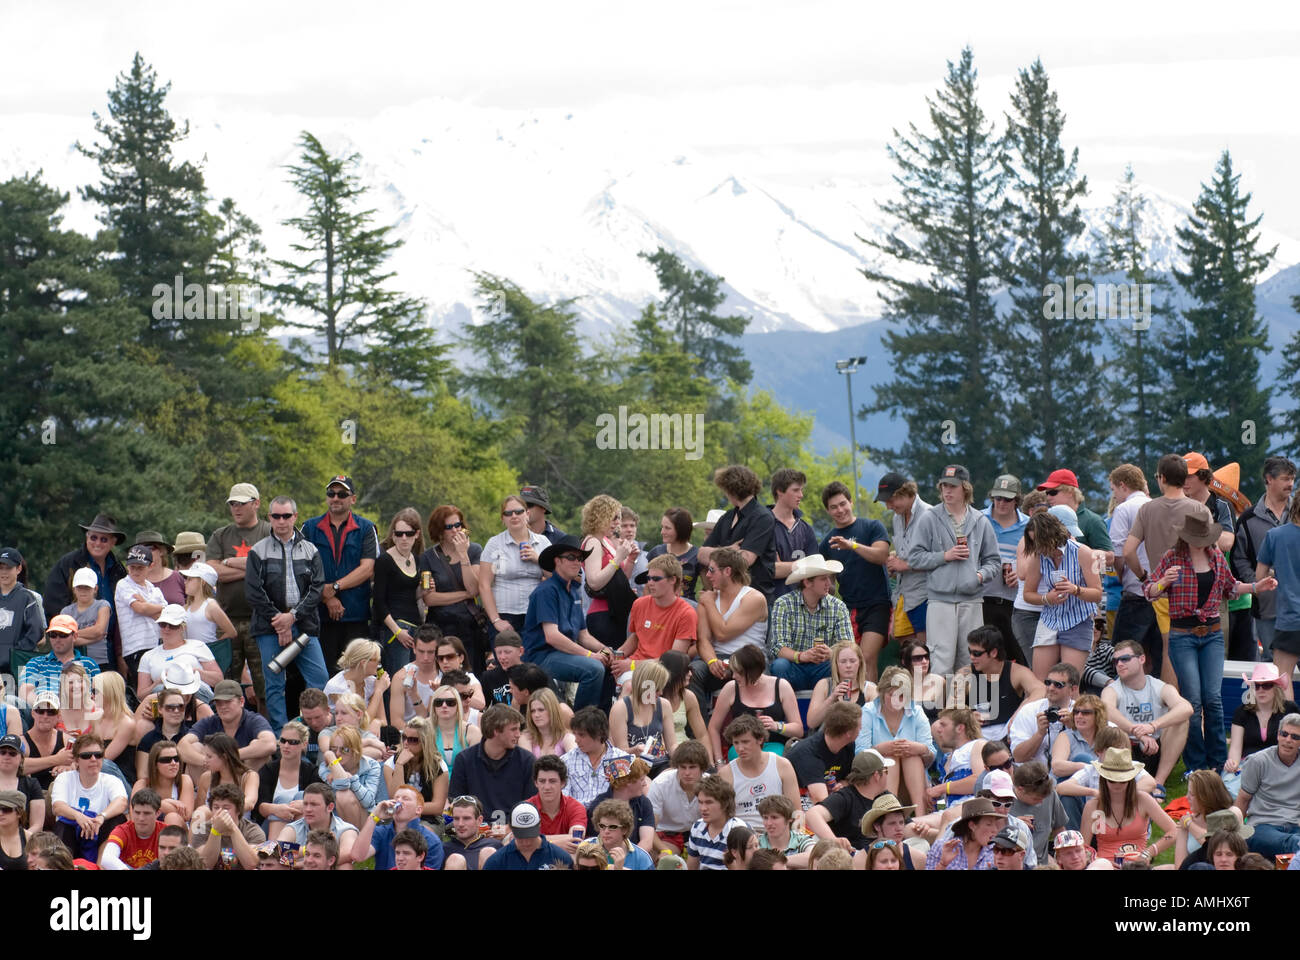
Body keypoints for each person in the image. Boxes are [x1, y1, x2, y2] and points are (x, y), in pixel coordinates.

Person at [1145, 509, 1274, 774]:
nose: (1202, 541)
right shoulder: (1172, 558)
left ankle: (1218, 761)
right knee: (1192, 700)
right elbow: (1149, 591)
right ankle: (1196, 764)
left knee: (1213, 698)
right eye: (1197, 537)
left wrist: (1256, 587)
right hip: (1183, 635)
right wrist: (1162, 583)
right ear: (1187, 537)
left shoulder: (1215, 556)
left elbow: (1232, 587)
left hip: (1212, 633)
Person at [244, 497, 332, 734]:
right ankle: (282, 736)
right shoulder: (258, 550)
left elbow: (317, 589)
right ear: (269, 518)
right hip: (269, 627)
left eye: (286, 516)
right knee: (274, 685)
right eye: (275, 516)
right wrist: (279, 621)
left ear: (295, 517)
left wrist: (292, 617)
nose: (281, 521)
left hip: (303, 626)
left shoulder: (310, 549)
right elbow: (253, 592)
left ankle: (312, 729)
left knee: (319, 679)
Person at [905, 464, 1002, 676]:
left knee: (972, 660)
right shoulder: (929, 518)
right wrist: (944, 556)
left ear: (965, 489)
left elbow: (994, 561)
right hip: (939, 600)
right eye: (944, 486)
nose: (947, 491)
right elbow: (914, 558)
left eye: (953, 486)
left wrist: (978, 576)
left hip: (972, 600)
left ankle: (968, 709)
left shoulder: (981, 520)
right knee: (940, 660)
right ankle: (936, 709)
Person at [1122, 454, 1205, 682]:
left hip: (1163, 590)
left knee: (1170, 649)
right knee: (1200, 650)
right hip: (1196, 591)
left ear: (1162, 478)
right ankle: (1197, 713)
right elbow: (1211, 552)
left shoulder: (1148, 510)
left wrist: (1144, 578)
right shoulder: (1198, 509)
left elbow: (1128, 551)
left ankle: (1173, 708)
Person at [522, 534, 615, 711]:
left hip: (563, 654)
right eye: (571, 557)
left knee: (610, 664)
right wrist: (590, 655)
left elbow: (583, 635)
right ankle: (581, 721)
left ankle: (601, 719)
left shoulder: (573, 590)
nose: (577, 562)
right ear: (557, 561)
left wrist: (606, 650)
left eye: (580, 558)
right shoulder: (546, 591)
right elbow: (552, 637)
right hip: (542, 657)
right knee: (594, 668)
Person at [303, 475, 380, 675]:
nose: (336, 498)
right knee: (323, 674)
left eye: (342, 494)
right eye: (331, 493)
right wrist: (326, 597)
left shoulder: (366, 528)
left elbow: (368, 568)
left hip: (355, 615)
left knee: (356, 673)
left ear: (352, 499)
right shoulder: (309, 527)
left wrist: (334, 587)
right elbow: (301, 569)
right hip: (318, 616)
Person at [206, 484, 273, 713]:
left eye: (241, 503)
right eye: (233, 503)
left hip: (262, 619)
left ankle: (268, 735)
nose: (236, 508)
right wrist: (254, 568)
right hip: (226, 620)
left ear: (256, 503)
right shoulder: (220, 535)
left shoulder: (268, 531)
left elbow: (272, 567)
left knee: (265, 682)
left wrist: (228, 562)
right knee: (226, 683)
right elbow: (213, 573)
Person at [1100, 640, 1192, 796]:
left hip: (1157, 750)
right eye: (1116, 661)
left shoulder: (1159, 686)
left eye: (1125, 659)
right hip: (1125, 750)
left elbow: (1186, 708)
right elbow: (1106, 709)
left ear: (1141, 659)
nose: (1119, 664)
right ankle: (1125, 778)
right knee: (1108, 724)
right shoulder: (1112, 689)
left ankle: (1159, 784)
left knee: (1181, 720)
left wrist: (1153, 726)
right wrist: (1138, 732)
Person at [819, 482, 892, 678]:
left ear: (851, 502)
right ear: (828, 511)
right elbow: (830, 583)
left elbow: (882, 556)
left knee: (866, 658)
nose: (840, 510)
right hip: (848, 609)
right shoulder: (827, 542)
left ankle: (869, 706)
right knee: (849, 661)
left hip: (877, 604)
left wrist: (852, 546)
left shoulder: (871, 526)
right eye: (833, 507)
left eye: (843, 504)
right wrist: (824, 588)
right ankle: (851, 705)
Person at [1020, 510, 1103, 679]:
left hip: (1078, 620)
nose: (1036, 547)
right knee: (1041, 683)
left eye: (1038, 542)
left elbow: (1097, 594)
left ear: (1051, 536)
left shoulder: (1083, 552)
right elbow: (1027, 594)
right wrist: (1046, 599)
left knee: (1068, 683)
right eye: (1033, 542)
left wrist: (1075, 589)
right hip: (1050, 620)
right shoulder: (1038, 556)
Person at [691, 547, 770, 716]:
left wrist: (710, 603)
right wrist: (712, 662)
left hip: (750, 658)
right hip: (719, 658)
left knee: (749, 671)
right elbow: (703, 640)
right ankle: (700, 731)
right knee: (693, 672)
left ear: (728, 571)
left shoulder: (753, 598)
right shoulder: (709, 598)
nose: (708, 575)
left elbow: (723, 633)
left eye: (712, 570)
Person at [42, 514, 128, 666]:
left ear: (113, 542)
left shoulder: (119, 570)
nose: (97, 543)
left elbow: (123, 615)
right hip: (73, 655)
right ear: (87, 537)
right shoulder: (68, 563)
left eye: (104, 539)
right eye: (93, 537)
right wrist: (64, 637)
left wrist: (120, 653)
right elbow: (53, 607)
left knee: (106, 689)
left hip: (109, 652)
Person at [1234, 457, 1295, 659]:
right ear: (1269, 479)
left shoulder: (1298, 514)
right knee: (1270, 663)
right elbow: (1239, 557)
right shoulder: (1247, 519)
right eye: (1286, 479)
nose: (1291, 484)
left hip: (1297, 606)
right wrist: (1255, 584)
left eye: (1293, 479)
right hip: (1266, 607)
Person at [767, 554, 854, 690]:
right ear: (807, 582)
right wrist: (802, 656)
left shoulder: (838, 606)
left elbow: (848, 645)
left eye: (829, 578)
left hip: (823, 665)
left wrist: (831, 653)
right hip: (795, 664)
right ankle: (784, 706)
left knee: (842, 664)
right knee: (780, 665)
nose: (829, 584)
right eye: (823, 579)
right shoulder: (783, 603)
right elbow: (778, 647)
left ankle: (840, 706)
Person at [854, 666, 933, 810]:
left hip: (913, 780)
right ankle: (888, 812)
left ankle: (921, 816)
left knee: (912, 755)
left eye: (902, 696)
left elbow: (931, 755)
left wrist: (919, 748)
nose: (896, 701)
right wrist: (880, 749)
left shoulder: (917, 712)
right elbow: (859, 754)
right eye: (891, 695)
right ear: (882, 692)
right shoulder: (868, 711)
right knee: (890, 756)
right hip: (877, 780)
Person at [1082, 746, 1176, 865]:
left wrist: (1148, 853)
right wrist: (1098, 861)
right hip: (1105, 865)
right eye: (1112, 780)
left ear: (1130, 780)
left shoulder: (1143, 799)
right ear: (1104, 779)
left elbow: (1174, 831)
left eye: (1122, 780)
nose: (1117, 785)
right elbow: (1083, 849)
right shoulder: (1093, 806)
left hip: (1137, 866)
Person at [418, 504, 485, 671]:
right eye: (449, 527)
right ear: (440, 530)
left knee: (471, 673)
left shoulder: (474, 550)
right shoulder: (428, 557)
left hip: (469, 625)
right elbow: (430, 598)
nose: (455, 530)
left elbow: (474, 589)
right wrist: (464, 594)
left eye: (458, 525)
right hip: (441, 625)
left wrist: (463, 554)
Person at [697, 464, 778, 602]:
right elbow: (701, 554)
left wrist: (717, 554)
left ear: (731, 490)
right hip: (725, 597)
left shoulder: (762, 517)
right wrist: (729, 550)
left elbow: (745, 560)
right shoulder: (728, 516)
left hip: (753, 599)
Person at [447, 704, 535, 829]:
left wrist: (510, 828)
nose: (518, 734)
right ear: (496, 731)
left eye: (519, 729)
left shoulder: (526, 761)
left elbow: (531, 805)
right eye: (513, 729)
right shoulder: (464, 760)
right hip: (474, 831)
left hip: (514, 832)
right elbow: (456, 801)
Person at [708, 644, 803, 759]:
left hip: (773, 746)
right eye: (733, 671)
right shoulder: (731, 688)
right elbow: (713, 728)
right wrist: (719, 762)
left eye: (739, 672)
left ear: (753, 672)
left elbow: (799, 730)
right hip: (741, 747)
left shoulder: (781, 686)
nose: (734, 676)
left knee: (772, 759)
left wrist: (777, 726)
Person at [479, 495, 551, 638]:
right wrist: (496, 620)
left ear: (527, 514)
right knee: (507, 658)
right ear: (503, 519)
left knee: (533, 659)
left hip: (535, 613)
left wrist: (539, 559)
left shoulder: (543, 542)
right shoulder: (495, 544)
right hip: (505, 614)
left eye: (519, 512)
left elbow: (555, 578)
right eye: (508, 513)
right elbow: (484, 584)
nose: (514, 516)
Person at [50, 733, 127, 860]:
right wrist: (79, 816)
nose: (93, 759)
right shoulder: (65, 778)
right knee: (63, 825)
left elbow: (122, 802)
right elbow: (58, 807)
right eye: (86, 756)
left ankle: (101, 866)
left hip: (99, 831)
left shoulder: (111, 780)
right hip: (71, 834)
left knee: (117, 820)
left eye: (98, 755)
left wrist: (101, 817)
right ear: (76, 760)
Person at [962, 624, 1045, 742]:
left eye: (977, 653)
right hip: (977, 732)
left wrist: (1019, 714)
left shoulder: (1016, 672)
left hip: (1008, 730)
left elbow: (1041, 690)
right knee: (938, 726)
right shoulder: (965, 673)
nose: (971, 657)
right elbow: (949, 710)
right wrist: (967, 716)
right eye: (970, 651)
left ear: (994, 653)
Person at [715, 714, 800, 829]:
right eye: (736, 743)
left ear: (760, 739)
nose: (740, 748)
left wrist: (798, 840)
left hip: (778, 833)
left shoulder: (782, 765)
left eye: (745, 742)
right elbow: (723, 817)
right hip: (741, 836)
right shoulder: (726, 774)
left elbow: (796, 812)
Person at [614, 554, 697, 670]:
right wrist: (616, 656)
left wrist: (632, 665)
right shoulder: (639, 604)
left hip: (662, 673)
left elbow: (674, 661)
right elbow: (635, 638)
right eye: (649, 578)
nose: (650, 583)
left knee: (630, 687)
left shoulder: (687, 613)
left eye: (656, 579)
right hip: (634, 667)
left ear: (673, 579)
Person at [1235, 712, 1300, 857]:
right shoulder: (1257, 761)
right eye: (1284, 734)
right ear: (1277, 735)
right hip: (1263, 826)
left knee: (1294, 842)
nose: (1288, 740)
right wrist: (1236, 835)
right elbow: (1243, 799)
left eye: (1295, 737)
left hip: (1295, 826)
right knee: (1292, 843)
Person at [879, 473, 933, 646]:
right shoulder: (897, 518)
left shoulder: (929, 515)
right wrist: (895, 562)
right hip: (904, 594)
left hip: (926, 595)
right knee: (907, 651)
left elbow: (942, 558)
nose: (888, 507)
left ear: (905, 493)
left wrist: (906, 565)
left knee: (924, 651)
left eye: (891, 501)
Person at [372, 507, 425, 681]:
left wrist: (424, 591)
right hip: (393, 628)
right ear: (393, 535)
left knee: (412, 680)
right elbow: (379, 602)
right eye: (399, 533)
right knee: (397, 680)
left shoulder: (416, 559)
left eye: (408, 534)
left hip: (415, 626)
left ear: (416, 534)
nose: (404, 538)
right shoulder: (384, 560)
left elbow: (411, 595)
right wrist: (397, 631)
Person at [1256, 492, 1300, 700]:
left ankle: (1288, 728)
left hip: (1289, 619)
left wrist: (1277, 573)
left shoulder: (1275, 536)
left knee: (1283, 679)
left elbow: (1259, 577)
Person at [804, 749, 893, 851]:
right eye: (886, 770)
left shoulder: (887, 797)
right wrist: (834, 841)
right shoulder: (846, 797)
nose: (887, 775)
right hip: (851, 856)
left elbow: (905, 824)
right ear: (877, 776)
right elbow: (812, 815)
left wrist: (914, 827)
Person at [178, 680, 277, 772]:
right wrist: (207, 761)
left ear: (241, 701)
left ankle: (242, 788)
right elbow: (182, 746)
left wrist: (229, 757)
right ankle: (207, 790)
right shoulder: (209, 721)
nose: (223, 707)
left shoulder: (254, 720)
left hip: (245, 777)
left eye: (228, 701)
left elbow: (270, 744)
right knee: (195, 747)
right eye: (219, 703)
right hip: (214, 777)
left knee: (259, 748)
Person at [983, 475, 1029, 665]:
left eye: (1007, 499)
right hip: (982, 599)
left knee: (1018, 657)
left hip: (1014, 602)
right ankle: (986, 695)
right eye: (997, 498)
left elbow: (1035, 559)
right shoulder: (978, 519)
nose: (1001, 503)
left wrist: (1020, 573)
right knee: (985, 656)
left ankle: (1019, 695)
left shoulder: (1028, 525)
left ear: (1017, 500)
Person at [137, 604, 223, 704]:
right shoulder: (148, 656)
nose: (167, 629)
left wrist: (195, 672)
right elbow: (141, 696)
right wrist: (156, 683)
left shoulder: (197, 646)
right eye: (163, 624)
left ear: (183, 627)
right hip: (164, 697)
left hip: (196, 695)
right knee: (160, 690)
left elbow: (218, 679)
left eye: (173, 625)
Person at [1226, 662, 1300, 775]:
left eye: (1266, 685)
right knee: (1229, 786)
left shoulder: (1290, 709)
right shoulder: (1242, 712)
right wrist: (1233, 763)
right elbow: (1235, 748)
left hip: (1281, 766)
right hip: (1247, 765)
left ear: (1276, 688)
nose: (1261, 690)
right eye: (1256, 686)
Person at [787, 700, 862, 805]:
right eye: (859, 726)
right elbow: (822, 801)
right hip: (797, 804)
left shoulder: (847, 745)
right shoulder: (808, 753)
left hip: (823, 798)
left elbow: (850, 780)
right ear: (848, 733)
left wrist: (841, 785)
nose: (861, 728)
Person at [16, 613, 99, 706]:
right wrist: (48, 708)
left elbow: (99, 696)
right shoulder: (35, 663)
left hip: (77, 711)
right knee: (10, 700)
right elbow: (25, 692)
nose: (57, 639)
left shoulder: (89, 664)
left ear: (75, 636)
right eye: (53, 635)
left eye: (63, 635)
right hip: (41, 711)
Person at [353, 787, 444, 870]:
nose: (399, 801)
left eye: (405, 798)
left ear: (418, 810)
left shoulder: (431, 841)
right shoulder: (382, 832)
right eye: (396, 798)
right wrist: (374, 817)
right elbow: (358, 856)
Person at [114, 543, 166, 688]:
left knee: (157, 687)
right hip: (135, 647)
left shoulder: (154, 589)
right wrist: (159, 608)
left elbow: (164, 617)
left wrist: (147, 606)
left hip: (155, 644)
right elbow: (140, 608)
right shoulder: (123, 584)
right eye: (132, 567)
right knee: (145, 690)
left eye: (140, 567)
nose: (136, 571)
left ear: (151, 565)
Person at [256, 719, 321, 831]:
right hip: (271, 825)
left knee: (301, 797)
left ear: (304, 744)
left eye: (292, 742)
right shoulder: (268, 770)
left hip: (303, 825)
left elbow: (322, 802)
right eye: (283, 740)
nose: (286, 745)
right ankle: (277, 846)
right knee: (282, 800)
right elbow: (260, 807)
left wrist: (304, 805)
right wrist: (277, 809)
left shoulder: (312, 772)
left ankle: (284, 846)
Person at [1009, 662, 1078, 767]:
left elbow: (1094, 750)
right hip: (1034, 777)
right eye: (1048, 682)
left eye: (1058, 685)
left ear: (1073, 689)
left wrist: (1073, 728)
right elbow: (1018, 757)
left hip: (1071, 774)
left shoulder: (1082, 712)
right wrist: (1040, 734)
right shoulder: (1029, 711)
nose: (1051, 688)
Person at [560, 706, 631, 806]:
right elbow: (563, 798)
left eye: (582, 735)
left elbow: (625, 799)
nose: (576, 740)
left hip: (610, 815)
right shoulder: (565, 761)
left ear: (599, 734)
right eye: (575, 734)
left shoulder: (621, 759)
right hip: (577, 816)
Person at [768, 469, 820, 602]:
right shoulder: (763, 525)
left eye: (801, 490)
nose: (801, 495)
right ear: (780, 491)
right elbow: (770, 570)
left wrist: (783, 566)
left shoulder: (806, 529)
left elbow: (814, 571)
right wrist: (803, 565)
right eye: (796, 490)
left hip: (801, 605)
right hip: (770, 604)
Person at [275, 782, 356, 868]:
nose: (308, 809)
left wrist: (302, 864)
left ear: (330, 807)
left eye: (314, 804)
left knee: (345, 865)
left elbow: (348, 853)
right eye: (305, 804)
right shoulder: (292, 829)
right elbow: (275, 853)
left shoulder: (346, 830)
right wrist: (305, 850)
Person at [609, 660, 676, 763]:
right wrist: (635, 750)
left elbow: (672, 745)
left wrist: (684, 757)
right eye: (657, 689)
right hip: (633, 767)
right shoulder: (621, 708)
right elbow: (621, 754)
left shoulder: (664, 704)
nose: (661, 693)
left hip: (659, 764)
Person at [647, 739, 707, 854]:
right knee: (667, 862)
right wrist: (665, 851)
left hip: (701, 835)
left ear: (702, 768)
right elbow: (649, 829)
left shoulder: (712, 785)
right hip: (667, 835)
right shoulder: (660, 784)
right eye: (683, 767)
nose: (687, 773)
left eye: (692, 767)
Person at [317, 724, 383, 828]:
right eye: (334, 749)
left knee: (344, 796)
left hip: (365, 817)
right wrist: (330, 757)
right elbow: (342, 784)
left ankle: (354, 840)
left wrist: (352, 780)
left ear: (355, 750)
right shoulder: (325, 767)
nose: (338, 754)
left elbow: (368, 802)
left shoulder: (372, 765)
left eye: (345, 750)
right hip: (335, 817)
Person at [381, 716, 447, 819]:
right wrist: (399, 765)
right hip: (397, 816)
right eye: (404, 738)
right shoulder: (392, 763)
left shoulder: (438, 765)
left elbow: (438, 807)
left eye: (413, 740)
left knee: (421, 832)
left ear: (425, 742)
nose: (406, 743)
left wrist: (409, 808)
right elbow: (395, 798)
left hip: (427, 818)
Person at [1037, 468, 1115, 554]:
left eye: (1053, 493)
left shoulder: (1092, 521)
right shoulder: (1046, 518)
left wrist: (1080, 552)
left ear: (1070, 492)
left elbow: (1109, 557)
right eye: (1046, 493)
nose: (1048, 498)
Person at [1174, 770, 1241, 867]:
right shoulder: (1186, 822)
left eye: (1192, 794)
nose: (1187, 797)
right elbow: (1180, 866)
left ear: (1206, 796)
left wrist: (1190, 825)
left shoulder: (1232, 813)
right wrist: (1185, 828)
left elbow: (1215, 846)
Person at [482, 801, 574, 870]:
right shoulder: (496, 862)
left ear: (540, 824)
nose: (526, 842)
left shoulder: (561, 858)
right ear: (511, 828)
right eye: (520, 836)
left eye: (531, 835)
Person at [806, 641, 874, 731]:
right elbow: (811, 722)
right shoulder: (824, 685)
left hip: (859, 742)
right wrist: (832, 698)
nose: (848, 665)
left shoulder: (870, 689)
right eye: (843, 661)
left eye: (852, 661)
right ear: (836, 664)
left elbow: (876, 725)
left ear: (860, 662)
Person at [526, 754, 587, 854]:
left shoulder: (576, 807)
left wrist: (537, 841)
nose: (547, 787)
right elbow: (521, 841)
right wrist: (557, 843)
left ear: (563, 783)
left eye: (552, 781)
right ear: (536, 783)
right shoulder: (526, 808)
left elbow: (576, 838)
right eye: (542, 781)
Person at [925, 796, 1005, 870]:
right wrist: (943, 864)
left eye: (995, 824)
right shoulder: (941, 848)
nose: (995, 830)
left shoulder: (998, 852)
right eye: (989, 824)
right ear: (972, 826)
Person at [323, 638, 389, 728]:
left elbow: (383, 721)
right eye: (377, 660)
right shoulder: (337, 687)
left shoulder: (372, 682)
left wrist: (377, 722)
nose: (379, 664)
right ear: (363, 663)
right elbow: (358, 724)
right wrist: (378, 692)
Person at [685, 776, 746, 870]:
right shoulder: (697, 827)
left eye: (709, 802)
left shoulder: (739, 830)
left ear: (725, 803)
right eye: (700, 802)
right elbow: (691, 867)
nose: (703, 808)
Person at [929, 707, 986, 806]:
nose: (938, 730)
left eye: (943, 725)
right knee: (914, 822)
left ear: (960, 728)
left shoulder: (977, 745)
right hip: (951, 812)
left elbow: (980, 781)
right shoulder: (946, 759)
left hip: (974, 808)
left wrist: (941, 788)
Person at [195, 732, 259, 818]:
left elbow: (250, 802)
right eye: (205, 756)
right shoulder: (206, 777)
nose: (205, 760)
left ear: (225, 757)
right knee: (201, 812)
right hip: (211, 827)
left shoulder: (248, 776)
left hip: (239, 826)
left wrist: (225, 811)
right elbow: (198, 810)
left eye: (209, 756)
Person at [60, 566, 113, 672]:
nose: (83, 591)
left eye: (87, 587)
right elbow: (63, 640)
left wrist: (72, 635)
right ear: (74, 589)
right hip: (73, 665)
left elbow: (99, 630)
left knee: (99, 689)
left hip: (99, 662)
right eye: (80, 587)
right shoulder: (66, 611)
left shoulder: (103, 605)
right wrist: (94, 637)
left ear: (95, 589)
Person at [133, 739, 194, 828]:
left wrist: (155, 804)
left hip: (178, 833)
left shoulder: (184, 780)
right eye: (166, 760)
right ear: (155, 764)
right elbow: (135, 817)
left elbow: (186, 815)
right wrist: (168, 803)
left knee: (172, 817)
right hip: (149, 832)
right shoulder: (142, 784)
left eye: (176, 759)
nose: (173, 763)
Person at [647, 508, 702, 603]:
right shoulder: (656, 552)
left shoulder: (697, 555)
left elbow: (709, 587)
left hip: (686, 609)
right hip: (659, 606)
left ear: (681, 530)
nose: (662, 532)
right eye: (662, 527)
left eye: (667, 528)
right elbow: (647, 585)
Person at [98, 787, 162, 869]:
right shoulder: (122, 830)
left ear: (158, 813)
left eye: (147, 813)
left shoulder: (167, 831)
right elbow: (106, 858)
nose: (141, 818)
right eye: (137, 812)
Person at [1050, 694, 1108, 781]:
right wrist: (1087, 767)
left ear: (1098, 715)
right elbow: (1057, 767)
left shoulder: (1107, 737)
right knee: (1083, 758)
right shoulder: (1066, 736)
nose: (1079, 716)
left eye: (1086, 713)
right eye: (1076, 712)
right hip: (1067, 788)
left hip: (1095, 787)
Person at [441, 795, 502, 870]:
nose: (460, 824)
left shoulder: (494, 845)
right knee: (455, 860)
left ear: (479, 820)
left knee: (488, 852)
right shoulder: (443, 849)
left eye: (466, 818)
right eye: (456, 818)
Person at [753, 794, 814, 867]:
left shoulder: (801, 840)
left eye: (774, 817)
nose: (769, 823)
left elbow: (815, 858)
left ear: (789, 818)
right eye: (765, 818)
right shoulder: (757, 843)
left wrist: (777, 862)